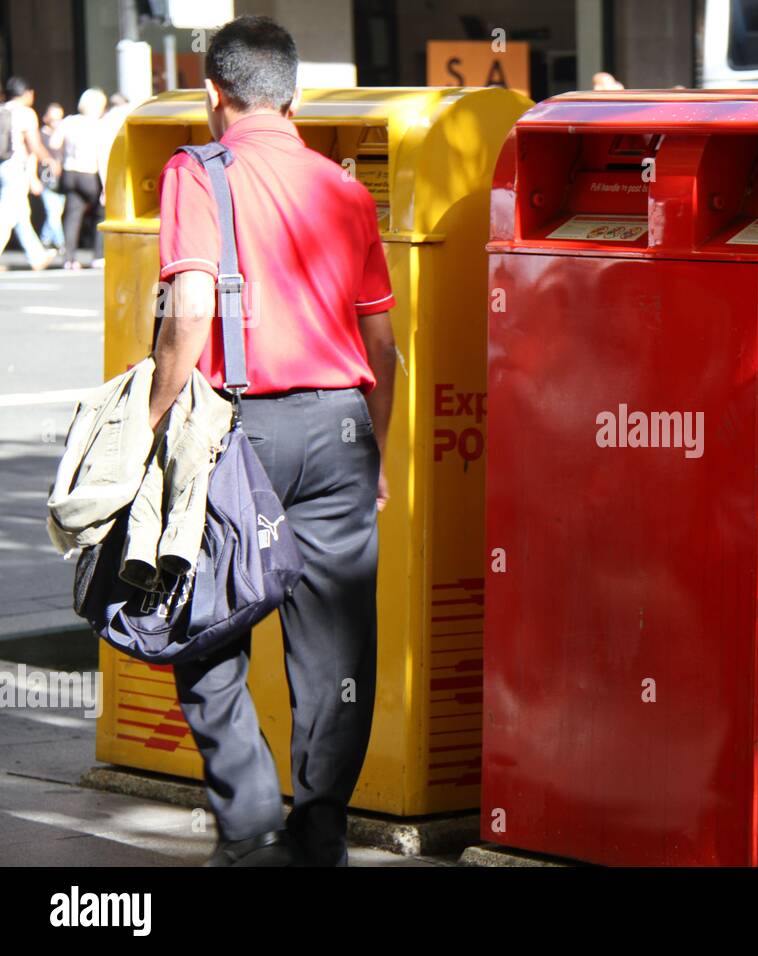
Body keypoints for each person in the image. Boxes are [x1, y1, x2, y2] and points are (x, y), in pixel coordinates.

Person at [147, 15, 396, 867]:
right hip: (340, 430)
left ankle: (251, 825)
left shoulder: (195, 172)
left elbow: (186, 313)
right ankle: (318, 833)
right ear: (293, 96)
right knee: (335, 648)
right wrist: (378, 455)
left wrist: (151, 426)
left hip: (237, 431)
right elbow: (385, 346)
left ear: (211, 94)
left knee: (207, 624)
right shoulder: (347, 187)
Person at [0, 78, 59, 270]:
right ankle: (36, 255)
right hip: (16, 166)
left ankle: (36, 255)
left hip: (3, 165)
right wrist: (48, 159)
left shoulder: (2, 110)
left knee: (21, 214)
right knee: (7, 215)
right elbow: (33, 144)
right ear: (25, 94)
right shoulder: (25, 113)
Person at [53, 88, 106, 269]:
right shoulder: (98, 125)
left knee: (72, 215)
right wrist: (105, 184)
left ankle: (69, 258)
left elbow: (54, 142)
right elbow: (101, 156)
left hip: (70, 171)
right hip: (89, 173)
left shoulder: (69, 122)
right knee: (100, 213)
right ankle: (98, 256)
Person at [37, 103, 65, 252]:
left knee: (56, 212)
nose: (57, 122)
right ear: (46, 118)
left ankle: (45, 239)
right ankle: (61, 243)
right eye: (54, 119)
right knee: (53, 212)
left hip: (61, 181)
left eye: (60, 118)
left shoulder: (61, 135)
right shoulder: (40, 136)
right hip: (46, 179)